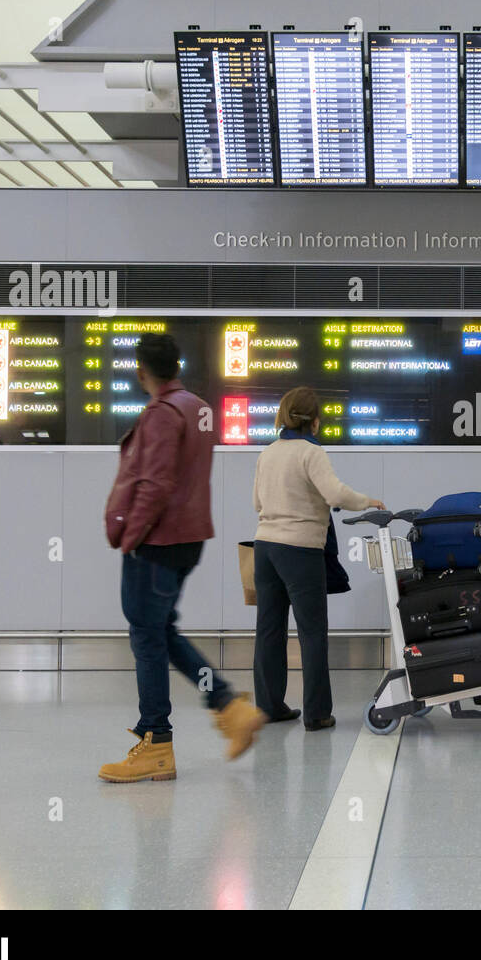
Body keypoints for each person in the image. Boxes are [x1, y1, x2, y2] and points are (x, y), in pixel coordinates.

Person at [99, 333, 265, 782]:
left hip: (157, 541)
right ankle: (229, 707)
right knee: (162, 632)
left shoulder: (160, 414)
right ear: (178, 364)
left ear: (141, 371)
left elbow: (154, 485)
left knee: (147, 639)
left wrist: (131, 537)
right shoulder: (197, 407)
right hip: (189, 539)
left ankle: (157, 740)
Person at [253, 387, 383, 730]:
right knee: (312, 633)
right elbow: (335, 493)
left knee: (269, 629)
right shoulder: (311, 453)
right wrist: (367, 500)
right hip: (300, 550)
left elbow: (257, 503)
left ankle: (269, 707)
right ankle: (317, 713)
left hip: (264, 548)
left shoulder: (268, 453)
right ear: (314, 421)